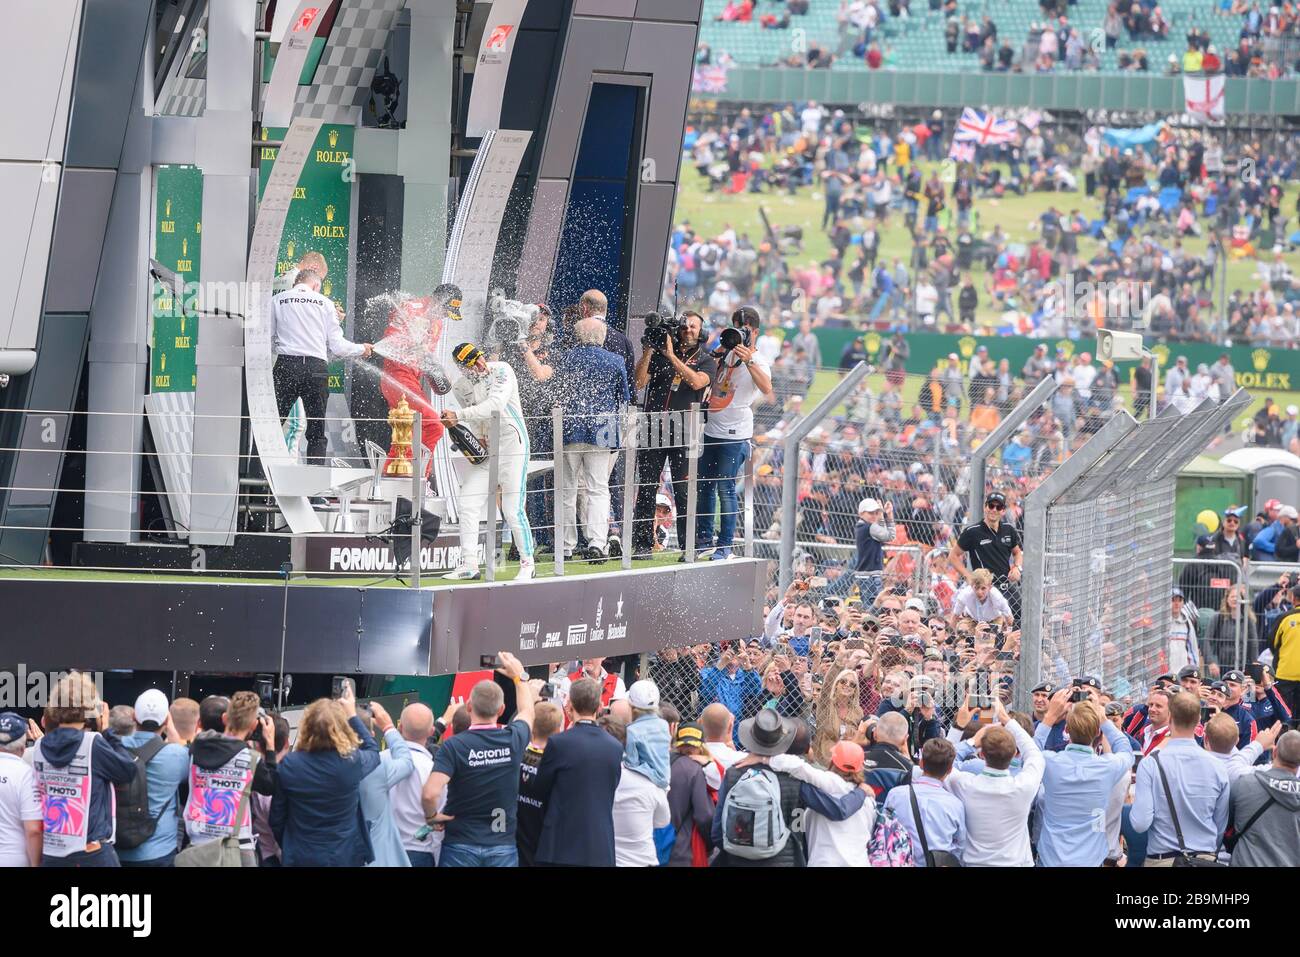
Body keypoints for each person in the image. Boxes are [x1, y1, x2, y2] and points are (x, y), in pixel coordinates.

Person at [423, 652, 534, 866]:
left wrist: (431, 816)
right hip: (501, 845)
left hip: (460, 844)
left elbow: (430, 793)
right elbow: (528, 711)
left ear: (469, 707)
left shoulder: (454, 746)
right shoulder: (513, 739)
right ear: (501, 710)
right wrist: (519, 677)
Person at [441, 342, 535, 580]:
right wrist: (477, 438)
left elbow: (495, 405)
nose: (481, 365)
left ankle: (527, 564)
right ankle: (469, 565)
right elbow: (475, 417)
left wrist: (458, 416)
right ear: (463, 368)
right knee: (468, 503)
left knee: (512, 509)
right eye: (473, 364)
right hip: (487, 449)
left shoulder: (502, 369)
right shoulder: (461, 386)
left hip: (513, 444)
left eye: (480, 359)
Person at [631, 310, 716, 557]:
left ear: (702, 333)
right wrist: (649, 349)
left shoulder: (706, 359)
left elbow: (698, 382)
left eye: (693, 327)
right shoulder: (659, 353)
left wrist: (670, 356)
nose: (688, 330)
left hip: (685, 429)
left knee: (683, 490)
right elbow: (638, 383)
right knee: (646, 486)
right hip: (653, 425)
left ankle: (688, 547)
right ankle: (642, 544)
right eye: (684, 326)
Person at [32, 672, 137, 867]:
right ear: (90, 708)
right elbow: (128, 770)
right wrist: (107, 731)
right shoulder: (92, 743)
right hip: (91, 852)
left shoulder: (38, 746)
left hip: (52, 850)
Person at [269, 267, 373, 463]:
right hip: (315, 370)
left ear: (296, 283)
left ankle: (259, 485)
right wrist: (362, 348)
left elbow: (268, 338)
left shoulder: (278, 300)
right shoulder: (325, 303)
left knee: (271, 427)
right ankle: (314, 491)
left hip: (285, 367)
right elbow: (338, 346)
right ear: (316, 285)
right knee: (316, 432)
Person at [696, 306, 773, 561]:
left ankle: (725, 545)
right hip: (711, 429)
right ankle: (703, 540)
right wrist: (719, 351)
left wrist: (748, 358)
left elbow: (766, 387)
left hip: (735, 434)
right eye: (735, 328)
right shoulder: (725, 353)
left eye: (744, 330)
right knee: (705, 486)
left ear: (755, 332)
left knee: (725, 488)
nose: (739, 335)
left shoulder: (758, 360)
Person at [271, 684, 378, 867]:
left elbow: (276, 818)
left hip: (301, 855)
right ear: (342, 728)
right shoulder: (352, 762)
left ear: (307, 726)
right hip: (343, 856)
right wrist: (352, 715)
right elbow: (372, 750)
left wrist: (291, 845)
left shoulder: (289, 765)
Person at [556, 317, 630, 562]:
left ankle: (566, 546)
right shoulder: (615, 360)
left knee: (567, 489)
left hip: (569, 429)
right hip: (602, 431)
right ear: (601, 337)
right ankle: (597, 543)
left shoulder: (565, 359)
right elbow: (623, 398)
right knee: (597, 488)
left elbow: (558, 393)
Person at [1033, 691, 1134, 867]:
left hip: (1051, 859)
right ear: (1097, 732)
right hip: (1091, 861)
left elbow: (1030, 753)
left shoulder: (1050, 762)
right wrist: (1104, 720)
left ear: (1067, 730)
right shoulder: (1107, 767)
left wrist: (1049, 717)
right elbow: (1126, 751)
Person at [532, 677, 624, 867]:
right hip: (599, 846)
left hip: (560, 844)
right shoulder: (614, 747)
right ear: (599, 705)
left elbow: (540, 789)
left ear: (570, 704)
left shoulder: (559, 743)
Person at [1130, 691, 1230, 865]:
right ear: (1199, 719)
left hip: (1163, 859)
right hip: (1204, 859)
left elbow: (1140, 823)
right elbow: (1220, 824)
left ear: (1170, 717)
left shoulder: (1151, 763)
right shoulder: (1217, 766)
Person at [944, 698, 1045, 866]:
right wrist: (1006, 719)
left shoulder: (965, 784)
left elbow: (943, 762)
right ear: (1015, 754)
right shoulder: (1023, 786)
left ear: (981, 754)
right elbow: (1034, 753)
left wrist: (963, 732)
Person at [186, 691, 279, 867]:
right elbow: (271, 786)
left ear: (224, 718)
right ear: (253, 726)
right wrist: (270, 745)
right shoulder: (251, 759)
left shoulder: (195, 749)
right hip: (238, 847)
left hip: (198, 843)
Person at [377, 285, 458, 484]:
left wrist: (439, 373)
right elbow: (390, 340)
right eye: (446, 310)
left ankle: (391, 476)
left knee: (407, 431)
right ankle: (421, 479)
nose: (446, 316)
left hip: (412, 379)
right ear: (438, 301)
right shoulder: (410, 308)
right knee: (433, 425)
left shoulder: (437, 324)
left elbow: (427, 359)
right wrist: (414, 344)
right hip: (396, 376)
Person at [710, 709, 807, 867]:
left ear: (751, 737)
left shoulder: (733, 774)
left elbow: (717, 832)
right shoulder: (793, 777)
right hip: (784, 860)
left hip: (736, 861)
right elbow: (797, 828)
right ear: (781, 739)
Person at [769, 739, 877, 867]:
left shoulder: (827, 783)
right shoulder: (868, 798)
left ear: (833, 761)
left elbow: (797, 766)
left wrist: (764, 759)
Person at [117, 689, 190, 868]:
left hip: (117, 848)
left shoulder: (113, 748)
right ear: (166, 720)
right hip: (160, 850)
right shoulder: (178, 755)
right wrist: (173, 733)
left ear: (133, 717)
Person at [883, 737, 966, 867]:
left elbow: (884, 831)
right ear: (950, 770)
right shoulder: (955, 805)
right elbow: (959, 846)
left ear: (921, 763)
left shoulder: (895, 794)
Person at [1228, 730, 1300, 867]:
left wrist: (1258, 744)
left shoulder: (1245, 784)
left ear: (1274, 753)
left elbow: (1228, 822)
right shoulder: (1246, 783)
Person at [357, 701, 414, 867]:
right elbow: (406, 761)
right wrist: (388, 726)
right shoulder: (377, 767)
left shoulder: (320, 770)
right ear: (371, 734)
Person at [951, 492, 1023, 620]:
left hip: (1006, 586)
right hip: (986, 590)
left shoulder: (1009, 530)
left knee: (1020, 620)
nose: (994, 510)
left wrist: (1017, 567)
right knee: (991, 629)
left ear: (1003, 511)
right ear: (985, 507)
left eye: (998, 507)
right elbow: (953, 556)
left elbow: (1017, 552)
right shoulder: (972, 531)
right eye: (991, 506)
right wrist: (967, 575)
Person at [385, 702, 439, 867]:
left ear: (399, 727)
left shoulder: (378, 761)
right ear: (431, 732)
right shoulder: (435, 772)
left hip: (383, 851)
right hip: (420, 853)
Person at [516, 700, 564, 867]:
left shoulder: (515, 755)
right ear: (558, 730)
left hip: (515, 843)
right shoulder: (560, 764)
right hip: (546, 847)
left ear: (532, 726)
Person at [666, 723, 717, 867]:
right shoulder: (695, 769)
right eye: (685, 746)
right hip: (682, 852)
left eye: (691, 746)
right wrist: (710, 844)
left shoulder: (662, 761)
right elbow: (704, 815)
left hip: (656, 842)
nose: (688, 750)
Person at [0, 713, 41, 867]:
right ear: (23, 747)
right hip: (13, 858)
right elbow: (33, 830)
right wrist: (36, 864)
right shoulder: (27, 774)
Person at [1268, 581, 1300, 719]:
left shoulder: (1285, 618)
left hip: (1285, 674)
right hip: (1286, 676)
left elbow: (1272, 643)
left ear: (1293, 599)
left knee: (1284, 716)